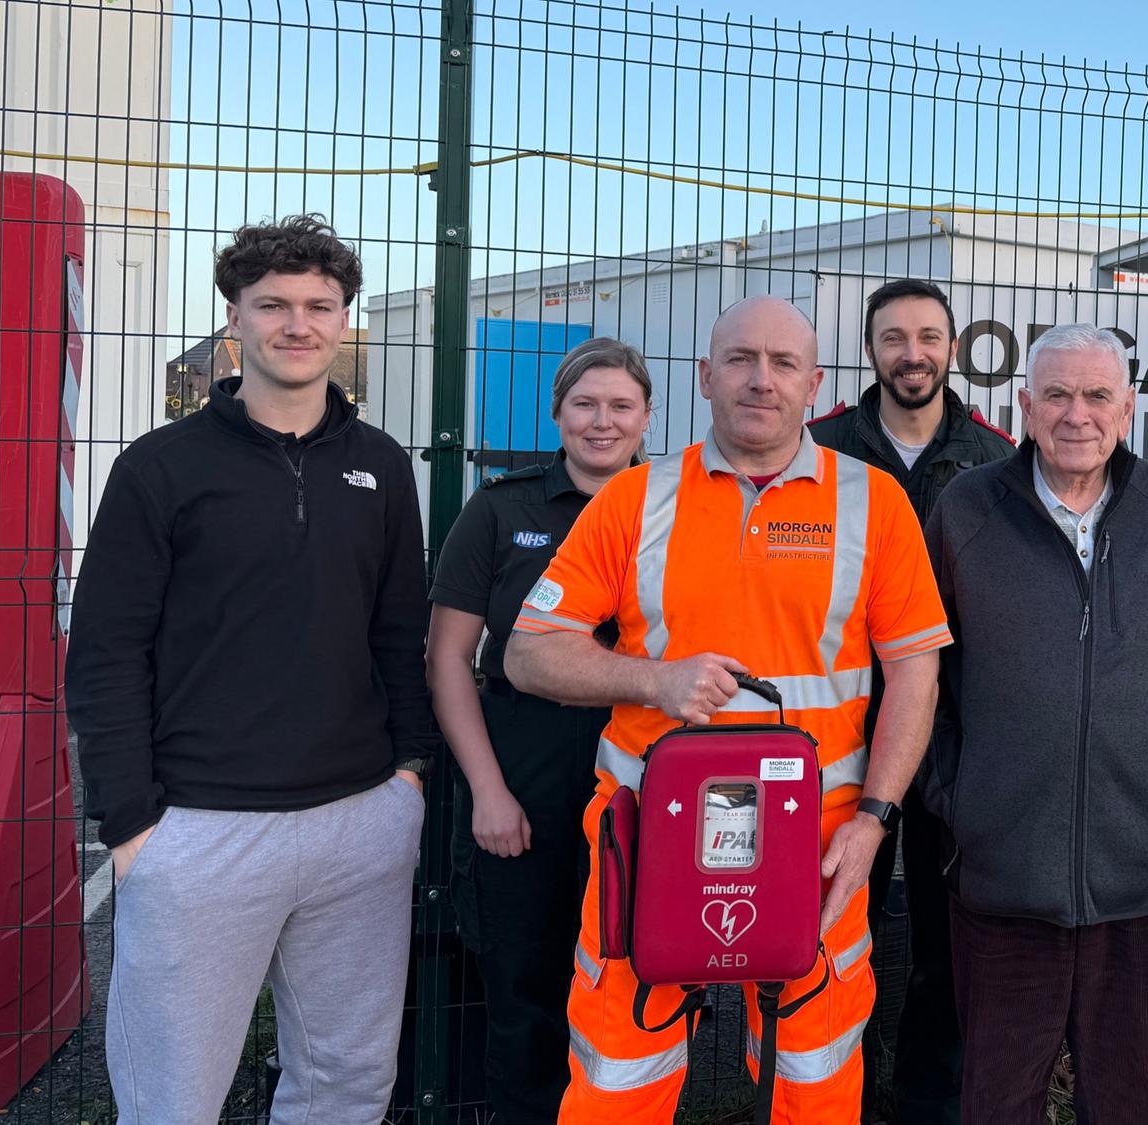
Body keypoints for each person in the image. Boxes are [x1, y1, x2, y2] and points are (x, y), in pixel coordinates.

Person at [504, 295, 949, 1123]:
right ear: (705, 376)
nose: (761, 379)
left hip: (820, 842)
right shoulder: (636, 499)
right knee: (616, 1075)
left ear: (815, 385)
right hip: (647, 832)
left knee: (813, 1080)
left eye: (784, 364)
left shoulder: (875, 502)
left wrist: (876, 819)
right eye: (741, 359)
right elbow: (527, 653)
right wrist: (654, 681)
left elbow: (915, 676)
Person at [66, 214, 439, 1121]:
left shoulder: (382, 468)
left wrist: (407, 780)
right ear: (235, 316)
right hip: (198, 832)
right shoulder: (161, 468)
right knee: (171, 1099)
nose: (298, 322)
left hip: (360, 824)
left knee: (349, 1085)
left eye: (320, 303)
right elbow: (107, 651)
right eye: (274, 303)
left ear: (346, 318)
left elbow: (400, 635)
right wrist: (132, 829)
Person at [923, 323, 1148, 1125]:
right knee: (997, 1094)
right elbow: (920, 666)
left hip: (1138, 869)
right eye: (1056, 393)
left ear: (1127, 408)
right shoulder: (965, 509)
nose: (1076, 413)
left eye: (1098, 395)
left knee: (1129, 1093)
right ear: (1024, 404)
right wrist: (958, 795)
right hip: (1002, 869)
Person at [427, 338, 652, 1121]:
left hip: (640, 783)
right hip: (521, 779)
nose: (602, 422)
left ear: (647, 416)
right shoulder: (499, 509)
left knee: (631, 994)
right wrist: (488, 791)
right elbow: (449, 659)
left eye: (621, 405)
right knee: (524, 1001)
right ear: (555, 414)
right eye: (585, 404)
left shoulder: (675, 510)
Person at [806, 278, 1014, 1124]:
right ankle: (826, 1099)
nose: (912, 353)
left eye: (929, 336)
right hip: (833, 732)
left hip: (955, 734)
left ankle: (929, 1104)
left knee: (944, 946)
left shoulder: (1000, 457)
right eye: (894, 338)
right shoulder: (817, 446)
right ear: (871, 350)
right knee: (822, 931)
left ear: (954, 349)